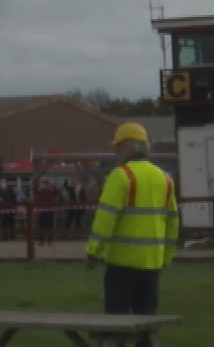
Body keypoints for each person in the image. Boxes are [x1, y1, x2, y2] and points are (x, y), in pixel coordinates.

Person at [86, 123, 180, 319]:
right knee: (146, 324)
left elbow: (106, 218)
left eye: (117, 147)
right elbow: (172, 223)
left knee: (115, 325)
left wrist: (93, 251)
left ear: (127, 146)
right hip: (152, 265)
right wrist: (165, 258)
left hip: (121, 264)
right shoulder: (165, 179)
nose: (115, 153)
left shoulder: (121, 176)